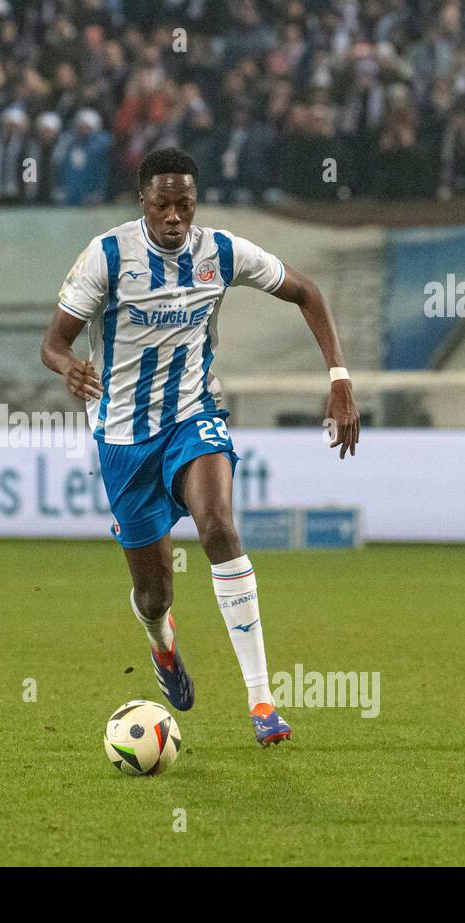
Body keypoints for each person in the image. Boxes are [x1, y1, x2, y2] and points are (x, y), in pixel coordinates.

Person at [39, 147, 359, 748]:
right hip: (123, 437)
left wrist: (339, 380)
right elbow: (54, 341)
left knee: (217, 526)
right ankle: (163, 648)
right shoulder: (107, 256)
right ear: (143, 202)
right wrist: (68, 368)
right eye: (162, 204)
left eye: (185, 204)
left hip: (194, 416)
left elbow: (308, 292)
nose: (174, 218)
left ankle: (262, 701)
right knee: (153, 593)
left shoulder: (222, 252)